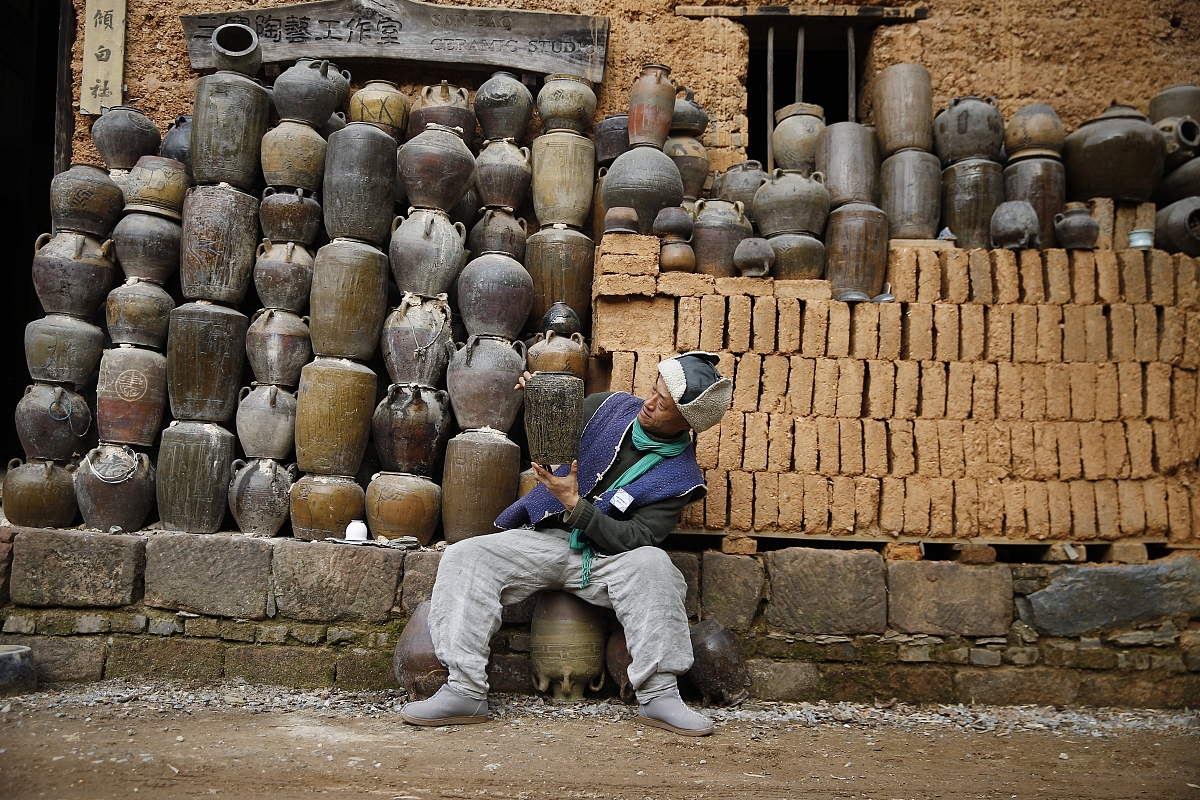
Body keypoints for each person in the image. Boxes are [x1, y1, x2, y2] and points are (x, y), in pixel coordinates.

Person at [400, 351, 733, 736]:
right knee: (465, 556)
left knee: (656, 566)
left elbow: (637, 539)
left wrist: (577, 505)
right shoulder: (608, 407)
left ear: (689, 421)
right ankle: (464, 690)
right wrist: (544, 401)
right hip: (549, 539)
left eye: (665, 404)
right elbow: (552, 439)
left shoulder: (679, 476)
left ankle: (659, 696)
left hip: (608, 559)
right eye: (654, 390)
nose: (650, 403)